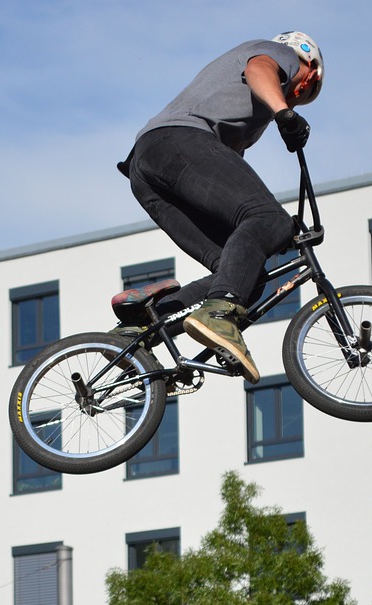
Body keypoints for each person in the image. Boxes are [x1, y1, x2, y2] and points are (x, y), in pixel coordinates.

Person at [115, 31, 323, 384]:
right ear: (309, 67)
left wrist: (276, 236)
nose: (296, 93)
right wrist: (285, 114)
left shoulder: (243, 115)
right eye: (303, 89)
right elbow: (261, 70)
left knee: (243, 270)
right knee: (267, 217)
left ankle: (137, 331)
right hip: (176, 143)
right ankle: (218, 316)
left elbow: (225, 185)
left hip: (148, 171)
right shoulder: (276, 55)